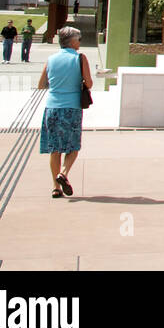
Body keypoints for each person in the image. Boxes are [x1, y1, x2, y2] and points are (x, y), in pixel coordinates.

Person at [38, 25, 93, 199]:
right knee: (73, 147)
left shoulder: (51, 59)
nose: (80, 42)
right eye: (79, 38)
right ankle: (63, 173)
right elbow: (89, 83)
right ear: (72, 41)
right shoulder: (80, 58)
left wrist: (57, 85)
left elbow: (41, 84)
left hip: (52, 108)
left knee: (55, 150)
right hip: (72, 107)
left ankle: (56, 187)